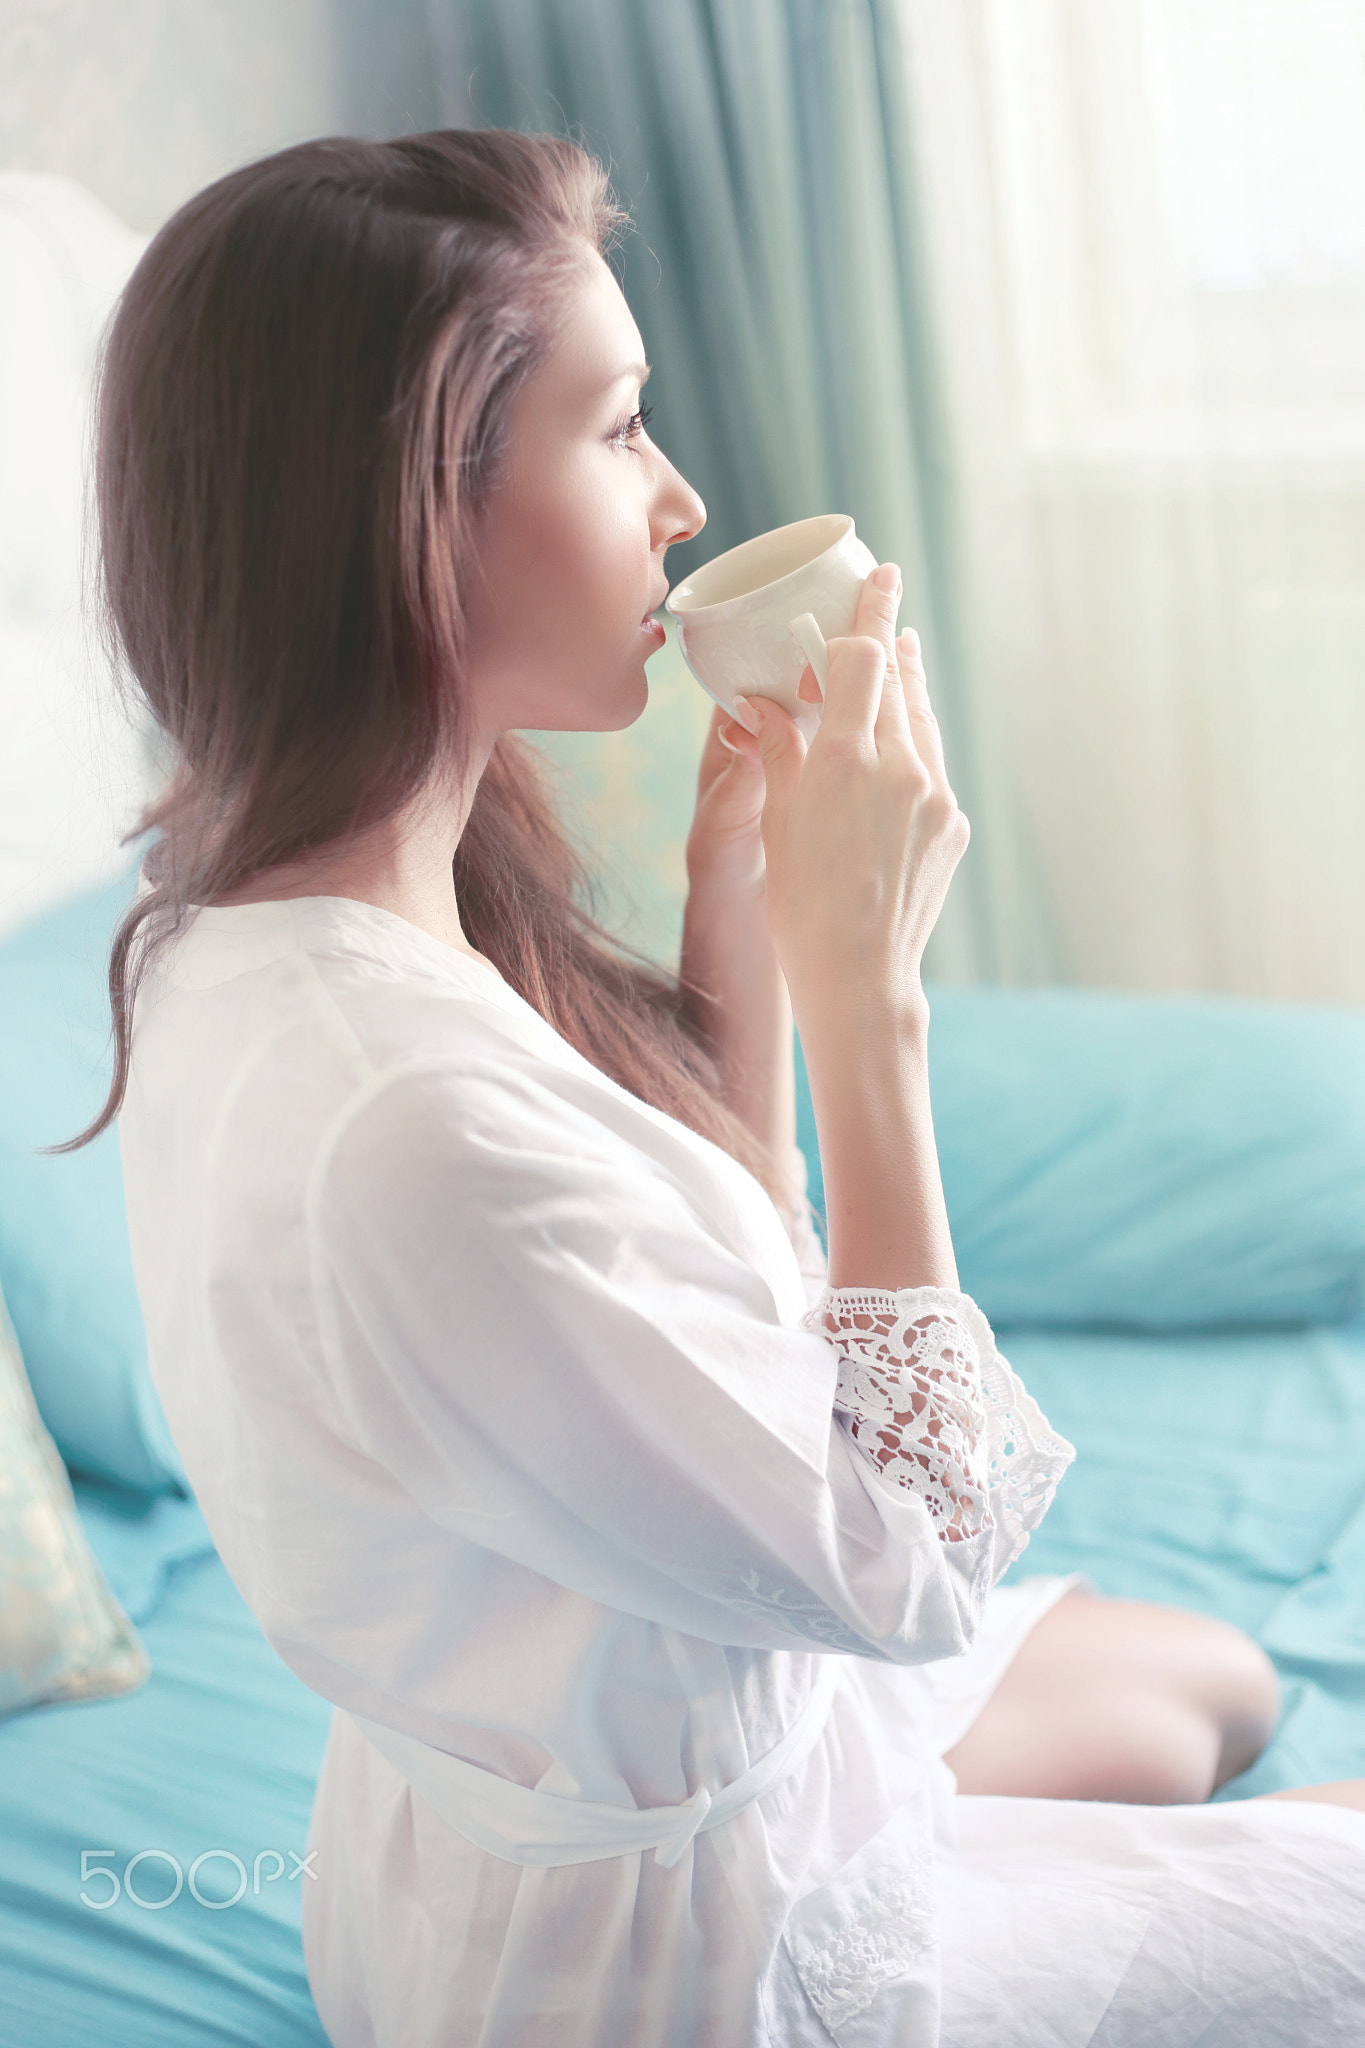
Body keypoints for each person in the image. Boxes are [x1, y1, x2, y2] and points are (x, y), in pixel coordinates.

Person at [64, 128, 1365, 2046]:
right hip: (692, 1968)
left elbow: (721, 1285)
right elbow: (923, 1554)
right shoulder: (407, 1125)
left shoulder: (252, 936)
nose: (677, 499)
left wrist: (737, 910)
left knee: (1212, 1690)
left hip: (528, 1830)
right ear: (404, 513)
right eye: (615, 430)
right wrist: (873, 1002)